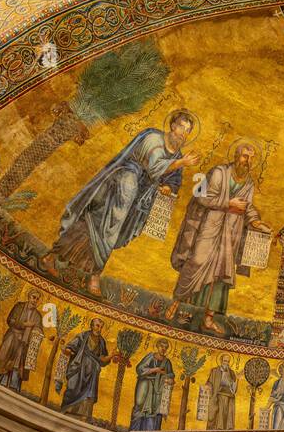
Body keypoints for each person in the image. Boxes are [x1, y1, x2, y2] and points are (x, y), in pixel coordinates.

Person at [44, 109, 199, 295]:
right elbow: (154, 167)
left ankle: (85, 271)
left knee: (116, 232)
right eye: (181, 127)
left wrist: (169, 187)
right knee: (101, 224)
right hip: (120, 188)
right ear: (173, 125)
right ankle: (68, 264)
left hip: (138, 200)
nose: (183, 133)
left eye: (188, 130)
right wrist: (181, 163)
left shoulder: (177, 154)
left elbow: (173, 179)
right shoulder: (153, 138)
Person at [170, 140, 270, 335]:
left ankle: (208, 319)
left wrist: (256, 221)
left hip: (231, 232)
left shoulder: (249, 182)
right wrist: (228, 202)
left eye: (251, 158)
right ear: (236, 156)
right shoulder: (218, 173)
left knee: (220, 276)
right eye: (244, 156)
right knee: (196, 261)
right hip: (210, 226)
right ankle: (176, 303)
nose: (247, 161)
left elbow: (247, 206)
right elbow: (201, 196)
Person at [0, 288, 45, 392]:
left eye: (37, 299)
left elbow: (39, 328)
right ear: (29, 297)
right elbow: (10, 320)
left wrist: (37, 331)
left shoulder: (37, 315)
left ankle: (12, 385)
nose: (35, 300)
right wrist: (24, 324)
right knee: (3, 356)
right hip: (13, 336)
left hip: (25, 342)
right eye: (33, 297)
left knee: (18, 362)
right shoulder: (19, 306)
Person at [59, 318, 112, 419]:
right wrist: (68, 350)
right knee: (72, 387)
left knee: (88, 394)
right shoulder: (83, 335)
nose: (99, 329)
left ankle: (83, 415)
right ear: (92, 326)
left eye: (101, 327)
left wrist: (112, 356)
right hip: (79, 367)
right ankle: (65, 409)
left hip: (92, 373)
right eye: (97, 326)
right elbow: (72, 345)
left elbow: (102, 358)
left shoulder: (101, 341)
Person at [131, 338, 175, 431]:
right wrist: (154, 370)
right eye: (161, 346)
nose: (163, 349)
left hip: (158, 389)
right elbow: (139, 369)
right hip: (145, 384)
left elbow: (171, 375)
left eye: (165, 347)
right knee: (139, 405)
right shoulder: (150, 356)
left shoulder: (167, 362)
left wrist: (169, 379)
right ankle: (134, 430)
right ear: (157, 346)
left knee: (155, 410)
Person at [204, 354, 238, 430]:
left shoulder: (232, 372)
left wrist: (236, 380)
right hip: (218, 394)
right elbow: (209, 381)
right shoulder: (215, 370)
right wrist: (208, 386)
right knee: (219, 413)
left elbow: (234, 385)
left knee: (227, 413)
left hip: (229, 396)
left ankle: (226, 430)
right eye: (225, 361)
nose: (226, 363)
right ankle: (219, 428)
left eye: (228, 361)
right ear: (221, 361)